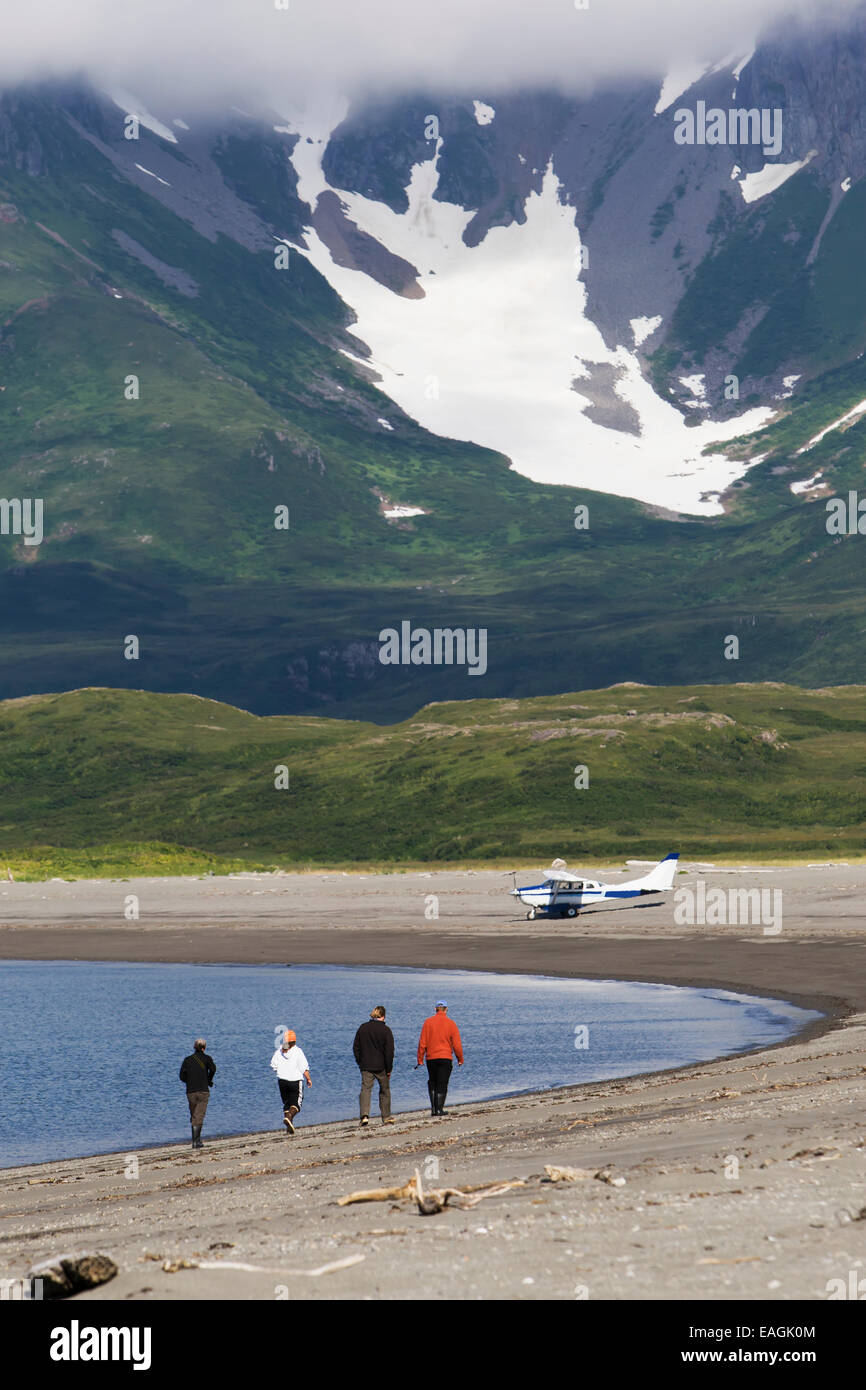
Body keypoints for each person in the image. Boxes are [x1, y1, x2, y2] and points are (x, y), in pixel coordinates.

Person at [416, 1000, 463, 1117]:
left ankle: (433, 1109)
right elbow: (457, 1044)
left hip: (431, 1058)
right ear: (446, 1009)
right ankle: (439, 1109)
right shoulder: (451, 1023)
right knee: (442, 1083)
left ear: (436, 1009)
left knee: (432, 1081)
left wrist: (420, 1059)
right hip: (445, 1057)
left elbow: (422, 1043)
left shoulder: (428, 1022)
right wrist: (460, 1058)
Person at [352, 1005, 396, 1127]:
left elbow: (356, 1047)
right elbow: (389, 1052)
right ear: (383, 1016)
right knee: (385, 1091)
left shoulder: (363, 1028)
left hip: (366, 1065)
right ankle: (386, 1116)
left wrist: (360, 1062)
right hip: (381, 1066)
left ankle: (364, 1116)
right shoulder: (386, 1030)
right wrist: (389, 1068)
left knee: (365, 1090)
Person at [270, 1029, 312, 1135]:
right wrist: (308, 1079)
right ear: (295, 1041)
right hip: (295, 1081)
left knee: (287, 1104)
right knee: (297, 1104)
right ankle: (289, 1117)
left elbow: (273, 1065)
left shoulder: (279, 1050)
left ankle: (289, 1127)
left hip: (282, 1081)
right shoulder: (298, 1051)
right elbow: (304, 1068)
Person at [179, 1038, 216, 1148]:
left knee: (194, 1114)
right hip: (203, 1090)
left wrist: (189, 1081)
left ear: (194, 1047)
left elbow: (181, 1076)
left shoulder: (187, 1060)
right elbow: (213, 1069)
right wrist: (209, 1079)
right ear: (204, 1048)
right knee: (199, 1115)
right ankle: (196, 1142)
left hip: (190, 1091)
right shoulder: (207, 1059)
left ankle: (196, 1140)